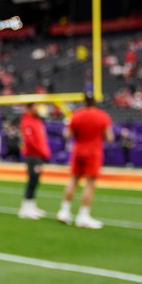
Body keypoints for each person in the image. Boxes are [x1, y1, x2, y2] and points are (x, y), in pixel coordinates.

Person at [56, 94, 114, 229]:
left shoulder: (76, 115)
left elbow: (67, 135)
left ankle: (64, 211)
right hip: (93, 151)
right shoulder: (102, 116)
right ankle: (83, 215)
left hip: (78, 150)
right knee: (89, 184)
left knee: (73, 180)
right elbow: (109, 137)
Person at [18, 103, 51, 220]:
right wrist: (42, 152)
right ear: (30, 108)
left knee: (36, 180)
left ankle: (31, 205)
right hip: (32, 155)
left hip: (38, 155)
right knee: (32, 180)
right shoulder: (27, 121)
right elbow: (30, 141)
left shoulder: (37, 121)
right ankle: (26, 207)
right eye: (35, 106)